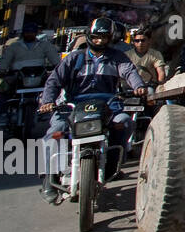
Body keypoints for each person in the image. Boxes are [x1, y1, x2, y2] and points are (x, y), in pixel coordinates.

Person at [37, 17, 146, 202]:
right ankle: (49, 177)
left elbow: (129, 72)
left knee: (124, 123)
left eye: (104, 38)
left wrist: (138, 86)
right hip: (73, 106)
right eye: (96, 37)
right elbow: (54, 81)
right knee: (54, 132)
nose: (99, 41)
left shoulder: (118, 57)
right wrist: (47, 101)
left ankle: (113, 164)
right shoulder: (74, 58)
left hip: (107, 105)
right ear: (89, 36)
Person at [0, 20, 60, 129]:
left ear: (36, 34)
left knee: (52, 87)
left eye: (32, 32)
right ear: (23, 33)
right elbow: (5, 59)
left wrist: (58, 68)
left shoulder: (44, 45)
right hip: (17, 76)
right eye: (27, 32)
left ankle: (46, 108)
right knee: (3, 89)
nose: (29, 34)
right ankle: (3, 113)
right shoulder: (15, 46)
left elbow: (55, 59)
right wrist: (1, 70)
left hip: (39, 75)